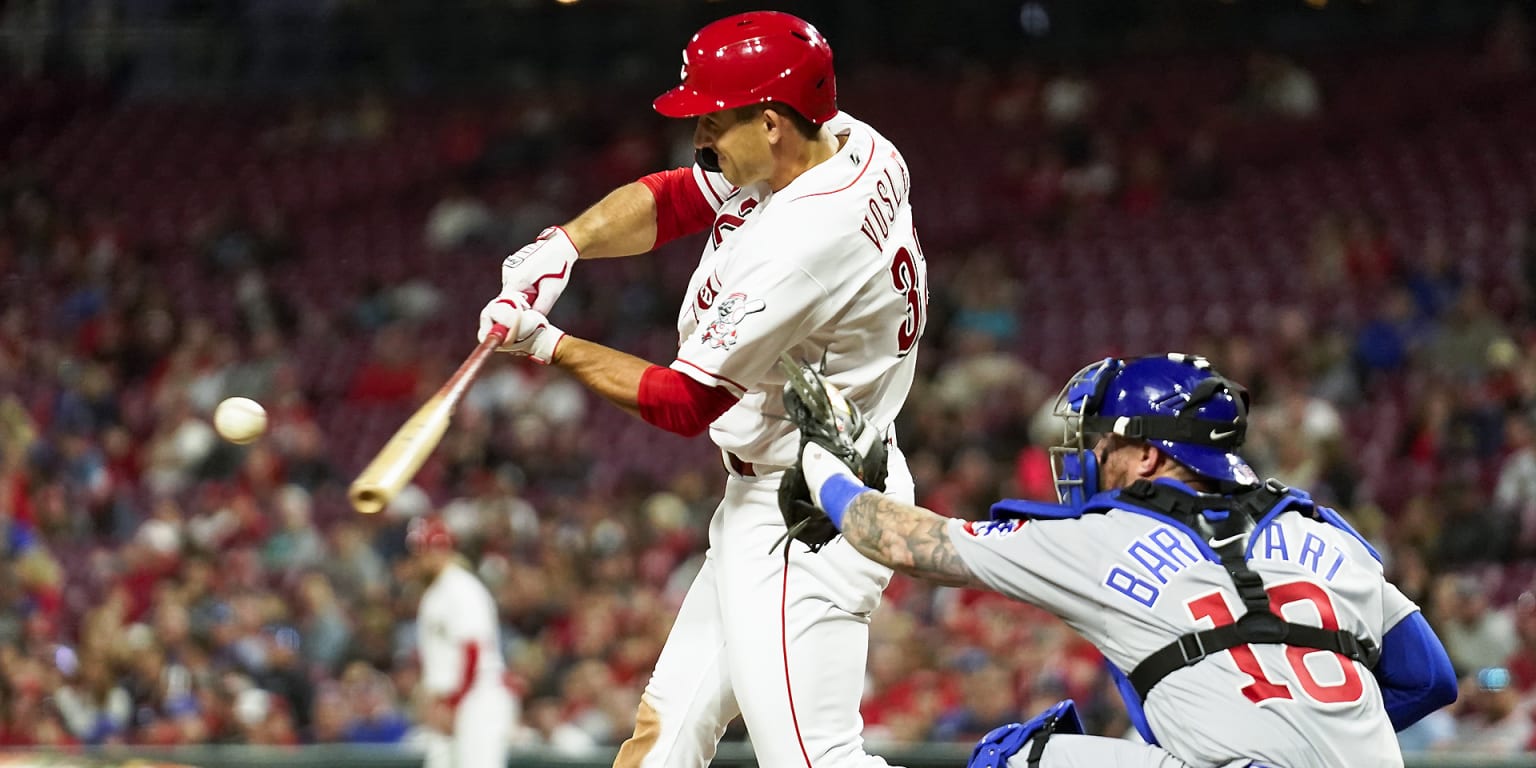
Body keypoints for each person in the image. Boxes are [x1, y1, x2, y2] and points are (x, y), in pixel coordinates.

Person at [475, 10, 928, 767]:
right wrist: (565, 245)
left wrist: (547, 343)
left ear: (774, 121)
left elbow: (688, 402)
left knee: (815, 763)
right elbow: (682, 194)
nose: (702, 136)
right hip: (804, 479)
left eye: (715, 119)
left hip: (806, 512)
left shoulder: (802, 241)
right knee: (664, 742)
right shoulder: (851, 142)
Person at [784, 353, 1457, 768]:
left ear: (1149, 456)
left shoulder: (1101, 535)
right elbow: (1429, 678)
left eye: (1105, 442)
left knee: (1014, 759)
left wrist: (823, 468)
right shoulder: (1327, 534)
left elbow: (901, 541)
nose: (1091, 455)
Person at [409, 516, 516, 768]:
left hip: (477, 699)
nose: (420, 557)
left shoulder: (463, 589)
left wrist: (453, 703)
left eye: (425, 550)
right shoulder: (437, 591)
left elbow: (473, 650)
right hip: (450, 702)